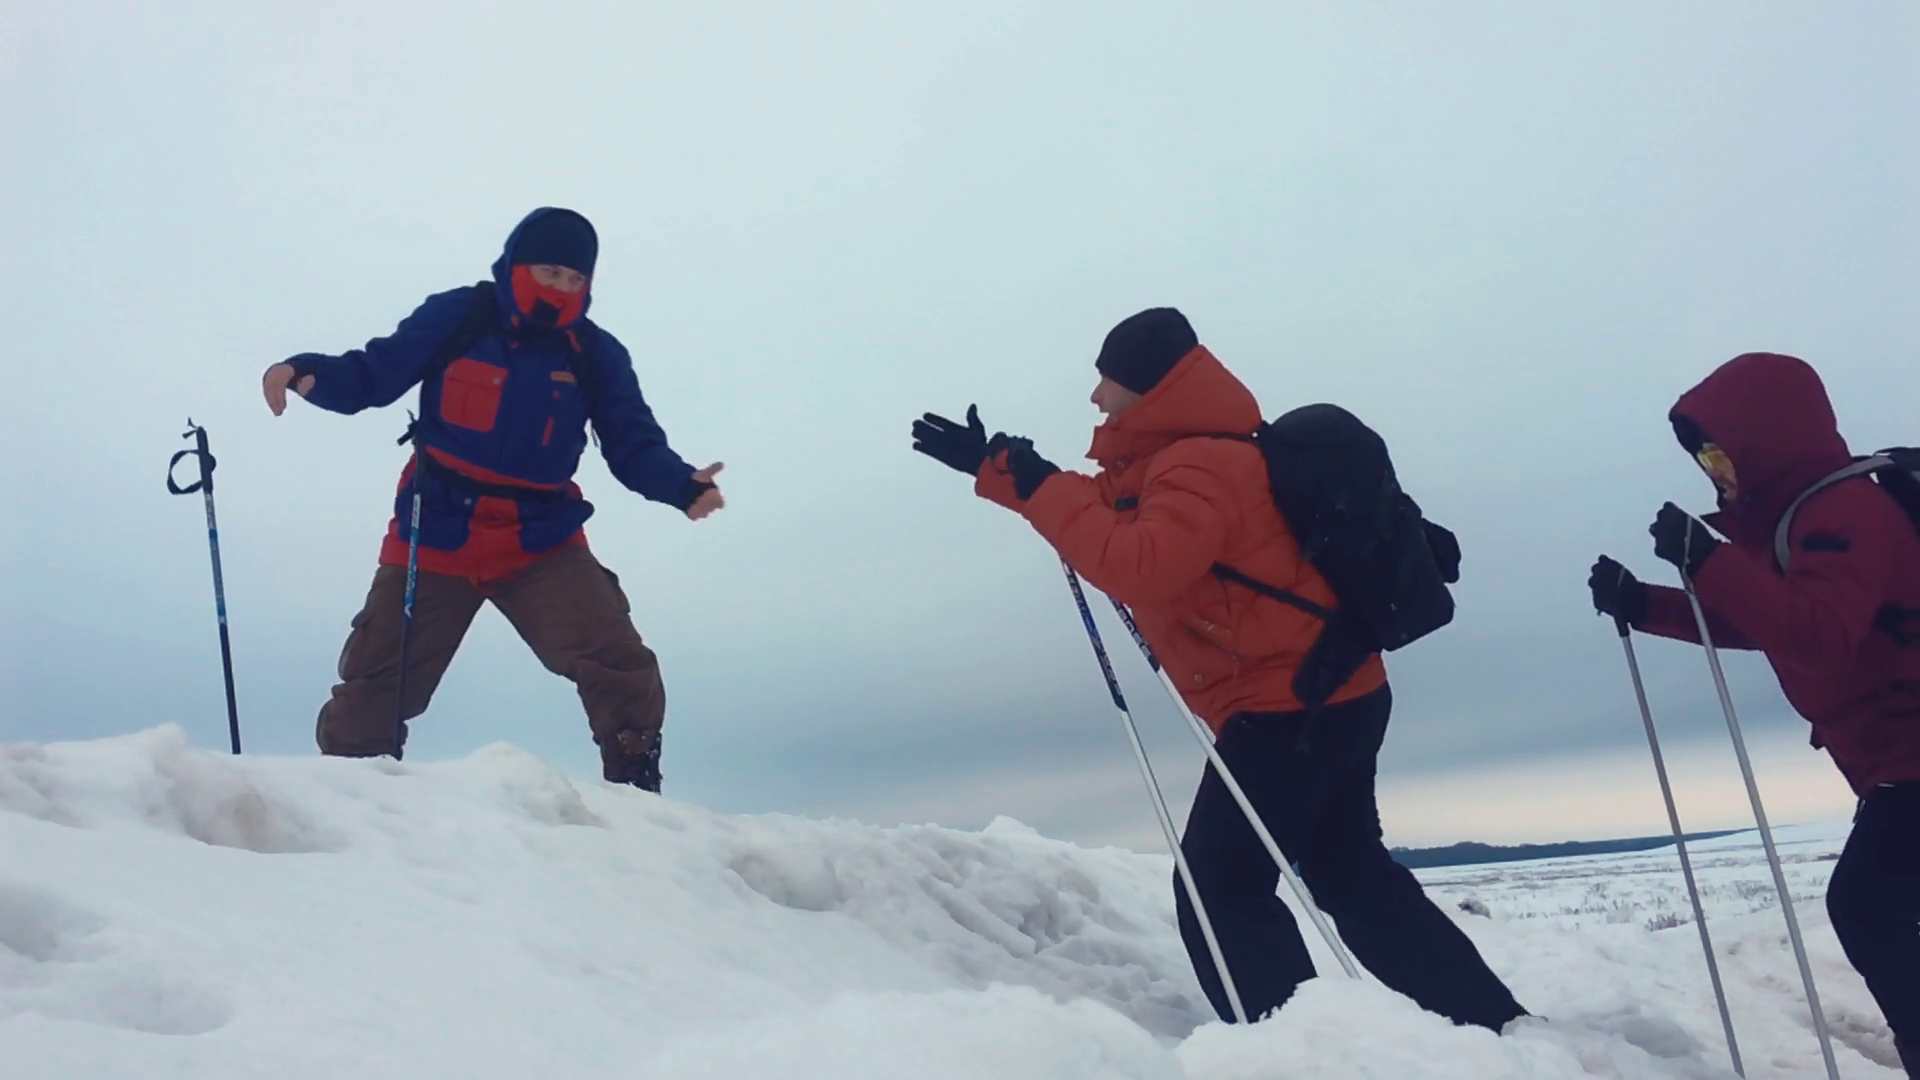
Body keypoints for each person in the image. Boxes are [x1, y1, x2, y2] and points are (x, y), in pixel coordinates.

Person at [912, 306, 1529, 1031]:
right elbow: (1110, 507)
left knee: (1219, 888)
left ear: (1150, 384)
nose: (1096, 396)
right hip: (1330, 695)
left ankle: (1304, 1051)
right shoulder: (1185, 456)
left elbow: (1138, 566)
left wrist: (1039, 487)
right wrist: (1011, 472)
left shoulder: (1200, 463)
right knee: (1350, 874)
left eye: (1107, 379)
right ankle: (1493, 1026)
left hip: (1291, 708)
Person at [262, 207, 724, 793]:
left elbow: (633, 445)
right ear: (517, 265)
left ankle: (638, 799)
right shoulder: (460, 316)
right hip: (435, 531)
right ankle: (353, 808)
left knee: (620, 664)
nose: (560, 287)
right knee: (375, 684)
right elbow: (373, 375)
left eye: (574, 278)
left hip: (541, 538)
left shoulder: (594, 353)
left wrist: (683, 487)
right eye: (549, 270)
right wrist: (303, 372)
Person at [1590, 351, 1920, 1076]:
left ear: (1768, 439)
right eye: (1703, 456)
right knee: (1882, 907)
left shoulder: (1844, 512)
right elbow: (1765, 620)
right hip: (1896, 761)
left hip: (1911, 758)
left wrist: (1708, 559)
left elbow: (1817, 637)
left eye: (1720, 450)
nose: (1715, 469)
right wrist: (1645, 603)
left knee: (1867, 905)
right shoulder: (1804, 518)